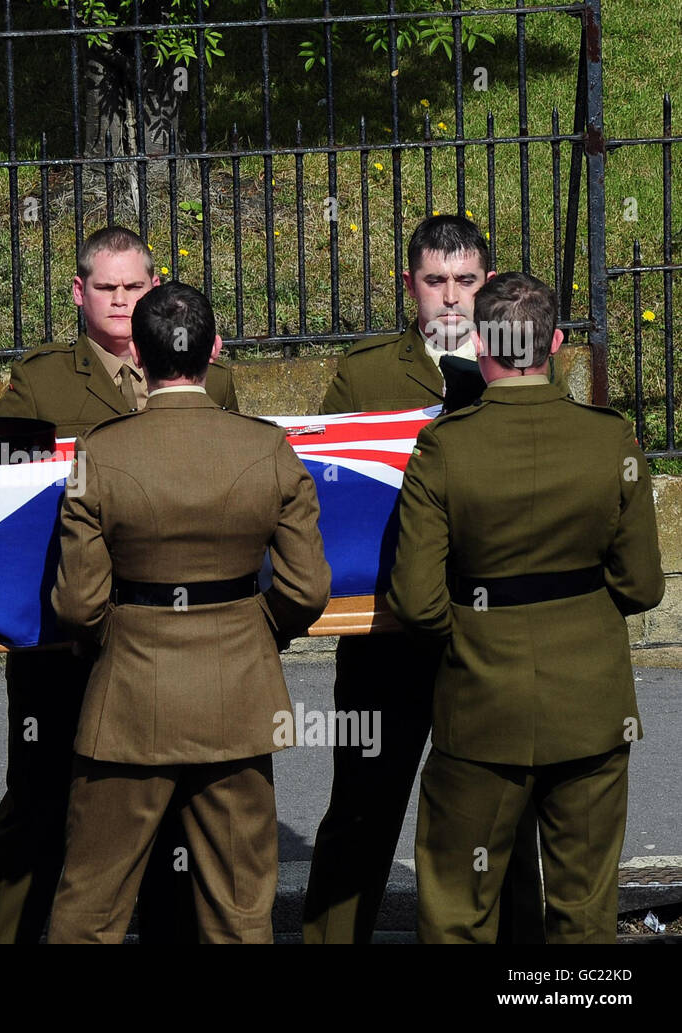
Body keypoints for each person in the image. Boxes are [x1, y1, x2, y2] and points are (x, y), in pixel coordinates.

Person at [0, 226, 240, 944]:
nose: (122, 302)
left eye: (135, 288)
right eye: (108, 289)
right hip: (68, 631)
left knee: (173, 811)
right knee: (39, 798)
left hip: (171, 632)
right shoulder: (43, 381)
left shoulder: (209, 375)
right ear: (79, 293)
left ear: (155, 287)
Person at [45, 283, 330, 942]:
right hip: (238, 695)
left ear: (138, 357)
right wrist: (257, 627)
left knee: (91, 906)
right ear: (216, 351)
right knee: (239, 913)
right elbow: (307, 586)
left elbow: (79, 602)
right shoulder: (268, 449)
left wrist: (118, 631)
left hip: (129, 700)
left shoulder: (101, 452)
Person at [388, 273, 664, 942]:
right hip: (591, 709)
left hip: (482, 707)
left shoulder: (445, 447)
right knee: (583, 910)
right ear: (559, 343)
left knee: (458, 909)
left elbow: (418, 602)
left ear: (480, 341)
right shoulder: (611, 441)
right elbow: (642, 586)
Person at [303, 214, 545, 944]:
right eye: (435, 281)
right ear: (409, 284)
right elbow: (330, 486)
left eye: (466, 281)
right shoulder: (366, 371)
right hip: (386, 628)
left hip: (487, 630)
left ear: (489, 282)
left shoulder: (521, 359)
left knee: (502, 816)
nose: (450, 298)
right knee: (362, 808)